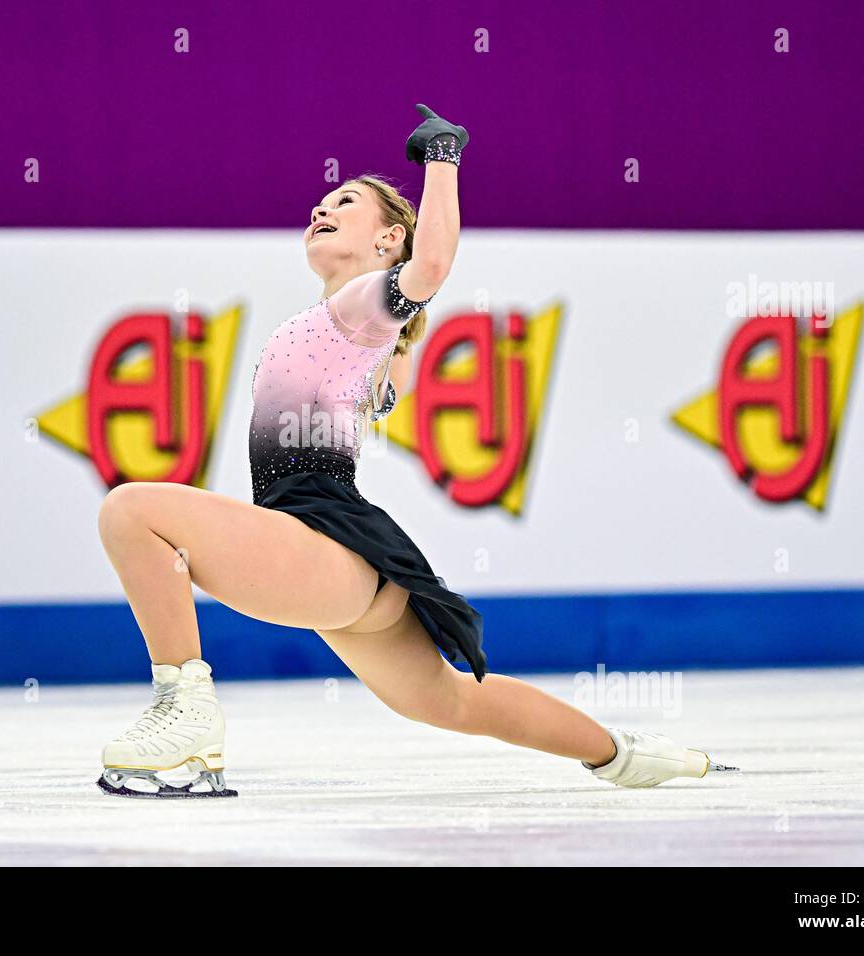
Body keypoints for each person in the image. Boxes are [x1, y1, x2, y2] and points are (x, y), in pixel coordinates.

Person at [95, 105, 735, 797]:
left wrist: (441, 154)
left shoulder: (359, 307)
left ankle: (184, 711)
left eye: (345, 202)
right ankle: (629, 755)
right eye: (321, 201)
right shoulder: (361, 329)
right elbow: (399, 338)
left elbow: (429, 265)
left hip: (318, 535)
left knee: (132, 512)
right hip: (349, 560)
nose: (322, 206)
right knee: (448, 701)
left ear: (386, 241)